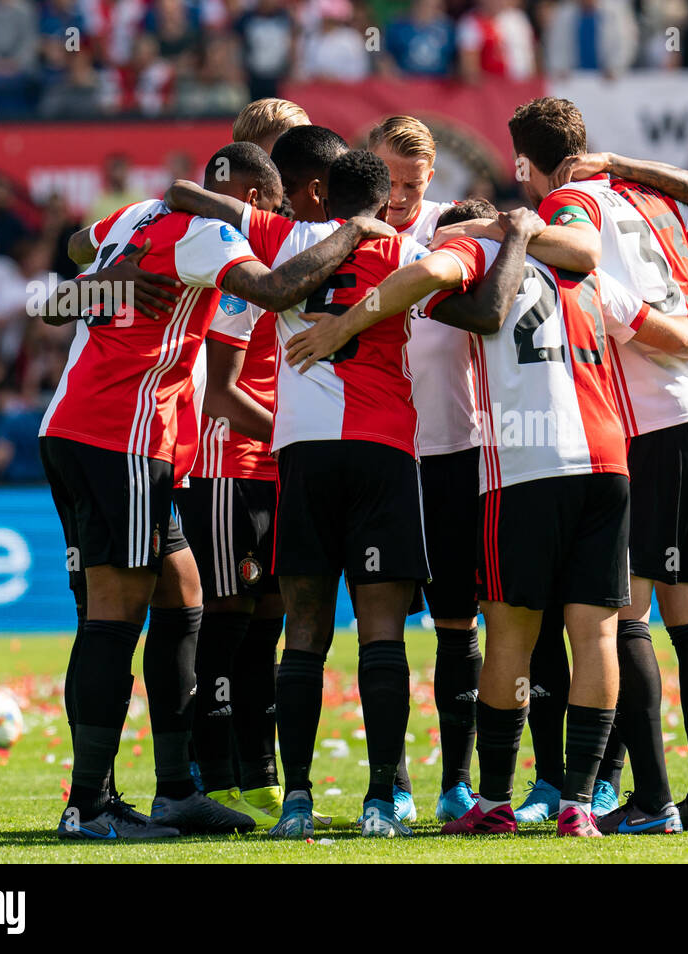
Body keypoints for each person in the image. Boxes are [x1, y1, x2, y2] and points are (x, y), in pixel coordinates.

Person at [281, 198, 688, 836]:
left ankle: (491, 801)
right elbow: (679, 337)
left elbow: (423, 278)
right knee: (598, 632)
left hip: (522, 468)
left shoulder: (474, 254)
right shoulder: (585, 272)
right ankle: (580, 802)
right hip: (607, 462)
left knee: (510, 632)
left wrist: (342, 325)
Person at [40, 142, 390, 839]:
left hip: (79, 425)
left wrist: (104, 283)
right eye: (275, 205)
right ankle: (89, 804)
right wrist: (353, 232)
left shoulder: (136, 216)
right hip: (121, 433)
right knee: (114, 610)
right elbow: (275, 289)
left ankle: (175, 791)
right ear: (256, 200)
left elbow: (68, 266)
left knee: (183, 590)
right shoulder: (210, 234)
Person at [170, 150, 428, 839]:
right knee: (382, 633)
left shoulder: (280, 236)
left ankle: (297, 801)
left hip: (303, 456)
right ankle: (382, 801)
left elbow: (193, 196)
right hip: (384, 451)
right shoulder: (406, 248)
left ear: (319, 193)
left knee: (303, 635)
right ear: (383, 200)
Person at [367, 115, 477, 823]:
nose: (400, 196)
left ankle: (457, 783)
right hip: (379, 458)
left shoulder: (455, 232)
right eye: (389, 182)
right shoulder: (344, 235)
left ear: (431, 178)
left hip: (455, 455)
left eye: (412, 183)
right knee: (383, 628)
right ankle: (392, 783)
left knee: (458, 627)